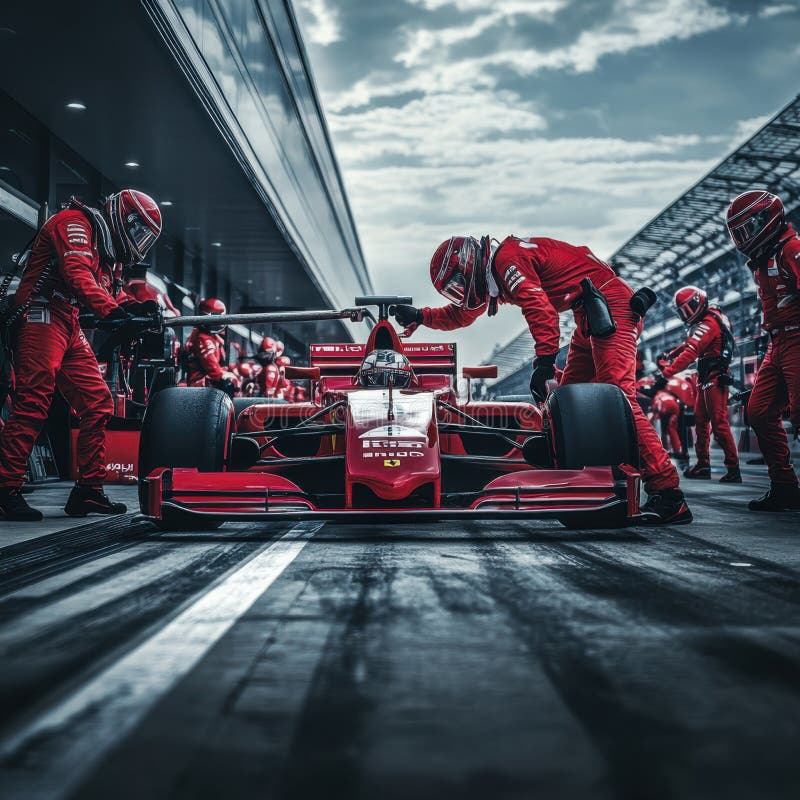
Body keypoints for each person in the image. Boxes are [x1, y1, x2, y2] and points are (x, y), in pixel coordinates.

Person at [394, 234, 690, 523]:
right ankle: (583, 472)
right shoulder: (501, 265)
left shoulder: (508, 261)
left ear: (468, 264)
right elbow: (463, 315)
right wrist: (421, 316)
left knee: (618, 398)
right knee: (568, 400)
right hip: (592, 310)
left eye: (458, 283)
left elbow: (540, 309)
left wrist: (545, 362)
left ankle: (668, 494)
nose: (460, 291)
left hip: (609, 306)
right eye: (454, 289)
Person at [0, 189, 162, 521]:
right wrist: (113, 313)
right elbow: (77, 275)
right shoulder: (74, 223)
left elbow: (98, 291)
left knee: (99, 402)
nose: (138, 241)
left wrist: (136, 309)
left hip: (67, 321)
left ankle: (89, 491)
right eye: (137, 231)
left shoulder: (104, 250)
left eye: (144, 237)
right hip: (40, 313)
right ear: (123, 216)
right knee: (33, 399)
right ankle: (5, 488)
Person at [726, 190, 800, 510]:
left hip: (797, 337)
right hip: (777, 342)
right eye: (738, 233)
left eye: (747, 229)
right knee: (757, 411)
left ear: (765, 219)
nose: (743, 239)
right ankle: (784, 485)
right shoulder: (762, 261)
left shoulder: (792, 249)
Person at [657, 286, 741, 482]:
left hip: (715, 377)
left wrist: (667, 372)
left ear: (698, 302)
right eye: (682, 311)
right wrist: (671, 354)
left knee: (719, 424)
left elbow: (691, 350)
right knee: (701, 422)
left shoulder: (709, 322)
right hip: (707, 378)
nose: (686, 315)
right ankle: (703, 465)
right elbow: (690, 344)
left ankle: (733, 469)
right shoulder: (710, 320)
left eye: (688, 309)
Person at [185, 298, 238, 396]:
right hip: (200, 386)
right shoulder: (203, 338)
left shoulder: (208, 336)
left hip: (203, 385)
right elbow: (210, 364)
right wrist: (222, 378)